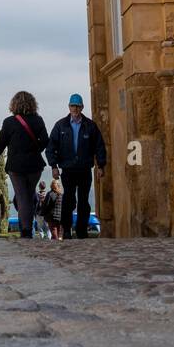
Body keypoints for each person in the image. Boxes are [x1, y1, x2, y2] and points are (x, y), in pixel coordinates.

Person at [45, 93, 107, 240]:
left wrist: (100, 165)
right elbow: (50, 147)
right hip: (68, 170)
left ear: (82, 107)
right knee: (69, 200)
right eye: (73, 106)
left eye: (78, 106)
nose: (75, 109)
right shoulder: (61, 126)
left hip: (85, 169)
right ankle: (67, 230)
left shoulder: (90, 126)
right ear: (69, 107)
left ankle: (81, 231)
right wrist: (53, 166)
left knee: (84, 202)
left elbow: (99, 146)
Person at [0, 92, 49, 239]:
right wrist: (35, 150)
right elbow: (45, 141)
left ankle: (26, 231)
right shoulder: (38, 120)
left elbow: (1, 143)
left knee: (22, 197)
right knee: (28, 195)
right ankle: (28, 228)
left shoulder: (9, 122)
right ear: (32, 104)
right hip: (34, 165)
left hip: (16, 166)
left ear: (14, 104)